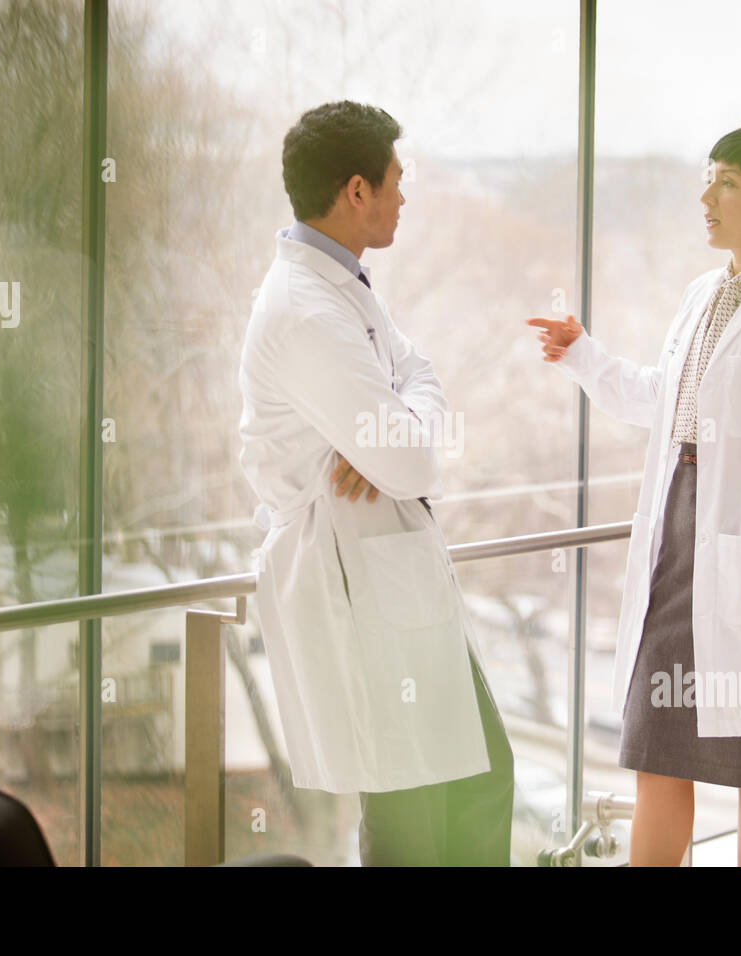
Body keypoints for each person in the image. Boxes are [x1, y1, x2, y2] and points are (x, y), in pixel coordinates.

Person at [528, 125, 741, 866]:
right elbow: (664, 399)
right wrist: (584, 354)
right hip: (678, 531)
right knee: (659, 748)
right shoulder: (700, 295)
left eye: (727, 183)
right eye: (708, 178)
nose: (706, 197)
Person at [238, 100, 513, 866]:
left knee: (475, 783)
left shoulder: (343, 284)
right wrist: (400, 428)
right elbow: (416, 462)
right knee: (411, 817)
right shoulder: (304, 309)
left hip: (389, 576)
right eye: (397, 180)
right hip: (353, 583)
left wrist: (403, 412)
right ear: (356, 190)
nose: (405, 196)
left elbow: (419, 377)